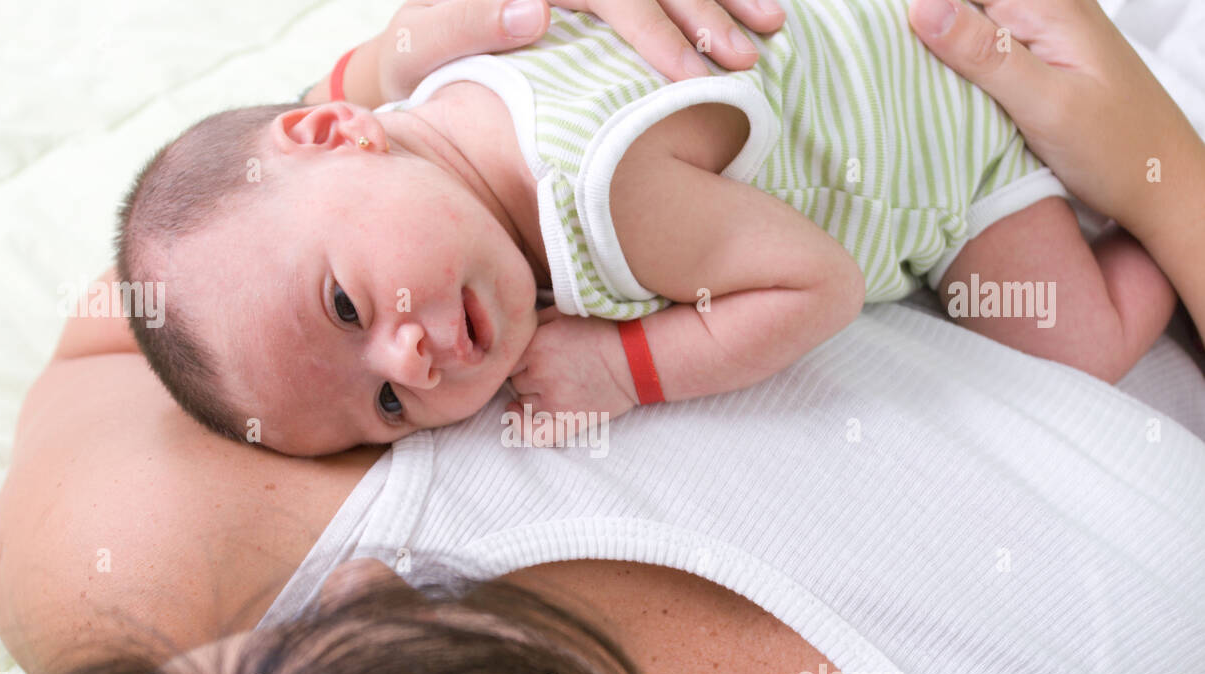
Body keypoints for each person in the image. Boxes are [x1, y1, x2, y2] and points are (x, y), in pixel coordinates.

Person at [0, 0, 1205, 674]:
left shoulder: (148, 581)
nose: (343, 579)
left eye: (244, 658)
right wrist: (1161, 168)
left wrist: (427, 79)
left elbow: (186, 283)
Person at [116, 1, 1177, 457]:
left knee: (1077, 345)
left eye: (345, 305)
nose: (412, 357)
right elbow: (291, 173)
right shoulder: (440, 77)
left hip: (951, 126)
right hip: (867, 37)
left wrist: (629, 367)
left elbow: (816, 287)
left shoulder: (599, 207)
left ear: (331, 130)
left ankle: (1169, 180)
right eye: (387, 403)